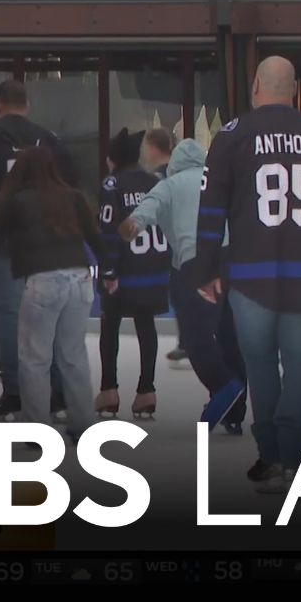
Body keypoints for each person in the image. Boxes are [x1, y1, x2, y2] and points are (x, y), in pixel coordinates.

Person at [195, 56, 301, 495]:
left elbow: (211, 209)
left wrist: (206, 268)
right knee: (300, 363)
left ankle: (271, 454)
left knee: (260, 362)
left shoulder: (232, 135)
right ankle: (294, 454)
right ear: (295, 89)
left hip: (249, 273)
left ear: (256, 84)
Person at [0, 80, 75, 420]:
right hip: (46, 242)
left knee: (10, 316)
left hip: (1, 243)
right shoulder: (49, 141)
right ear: (27, 104)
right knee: (48, 318)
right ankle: (57, 393)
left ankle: (17, 393)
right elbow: (71, 183)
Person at [119, 138, 248, 434]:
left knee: (195, 337)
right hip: (232, 262)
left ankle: (223, 386)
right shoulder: (217, 179)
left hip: (196, 263)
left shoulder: (170, 184)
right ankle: (235, 412)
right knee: (229, 335)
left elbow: (149, 207)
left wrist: (133, 224)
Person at [0, 146, 103, 440]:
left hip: (43, 281)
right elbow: (95, 238)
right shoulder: (73, 197)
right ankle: (83, 423)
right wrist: (110, 272)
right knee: (73, 355)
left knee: (35, 358)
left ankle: (39, 431)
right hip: (80, 278)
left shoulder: (16, 202)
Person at [96, 128, 172, 419]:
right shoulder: (155, 181)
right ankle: (146, 391)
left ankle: (109, 390)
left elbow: (109, 231)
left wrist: (110, 270)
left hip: (124, 270)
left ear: (112, 159)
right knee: (145, 324)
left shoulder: (112, 184)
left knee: (110, 325)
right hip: (152, 268)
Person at [143, 127, 190, 368]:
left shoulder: (159, 179)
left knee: (184, 293)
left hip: (178, 244)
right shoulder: (180, 173)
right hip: (184, 242)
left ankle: (191, 341)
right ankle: (189, 340)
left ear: (152, 148)